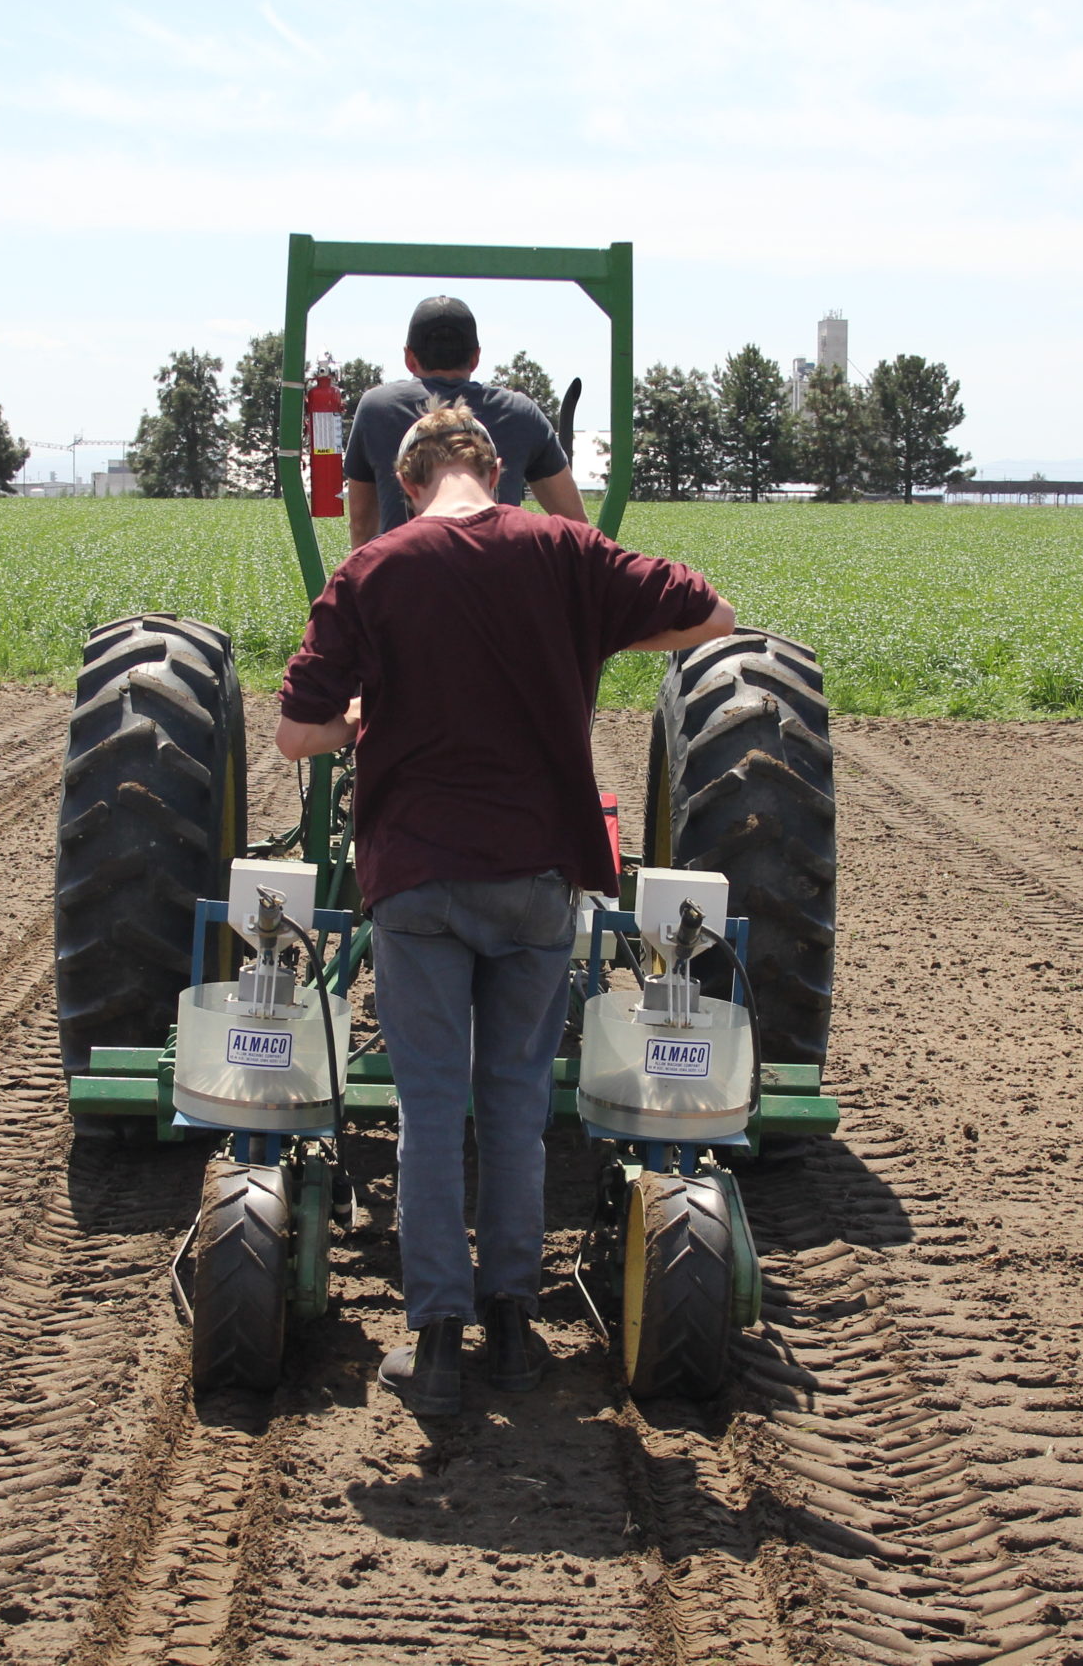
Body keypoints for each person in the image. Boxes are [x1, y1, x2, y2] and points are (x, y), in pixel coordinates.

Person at [277, 400, 738, 1417]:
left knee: (432, 1112)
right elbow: (712, 617)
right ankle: (516, 1330)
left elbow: (294, 738)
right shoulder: (566, 552)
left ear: (405, 484)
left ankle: (436, 1345)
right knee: (521, 1108)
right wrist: (591, 640)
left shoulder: (373, 570)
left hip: (417, 881)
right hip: (537, 877)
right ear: (499, 469)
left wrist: (357, 719)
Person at [342, 294, 593, 551]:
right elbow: (575, 523)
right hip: (497, 582)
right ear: (475, 357)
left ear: (409, 358)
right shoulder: (520, 412)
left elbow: (361, 524)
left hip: (406, 582)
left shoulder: (376, 408)